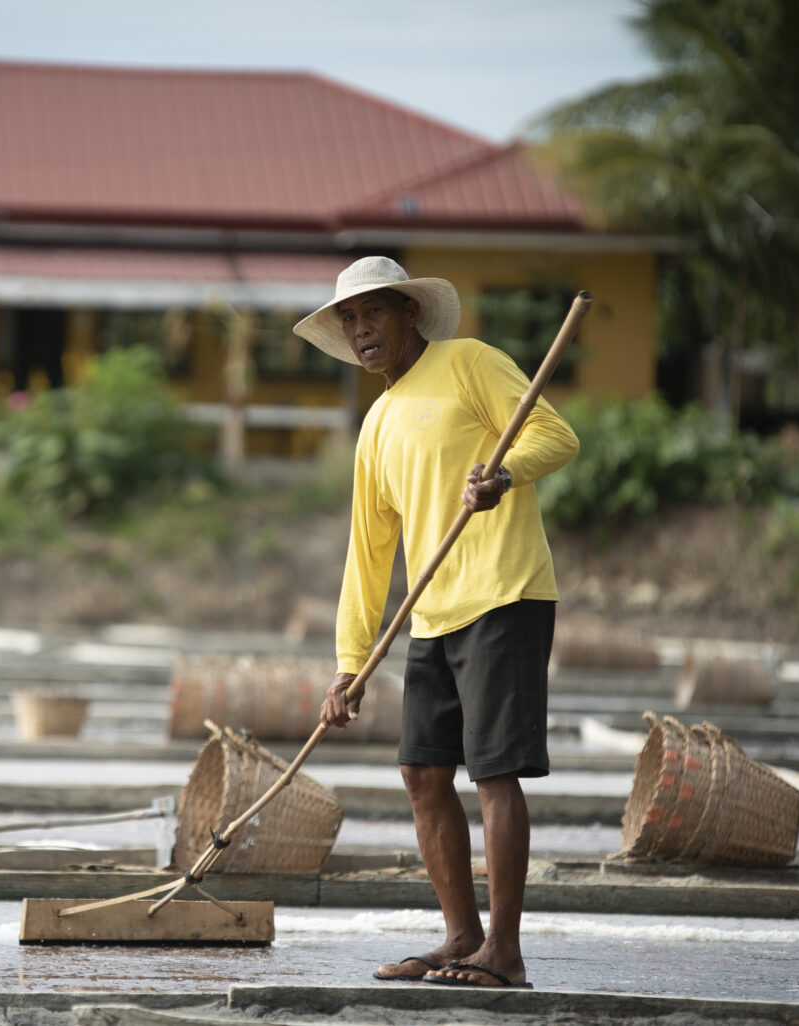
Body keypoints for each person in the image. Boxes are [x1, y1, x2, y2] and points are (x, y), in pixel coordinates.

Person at [293, 256, 578, 990]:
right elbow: (369, 554)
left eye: (373, 314)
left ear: (409, 314)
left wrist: (504, 475)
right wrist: (350, 663)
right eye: (349, 320)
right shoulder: (377, 425)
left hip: (505, 595)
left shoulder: (469, 364)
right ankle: (461, 934)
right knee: (422, 772)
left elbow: (555, 435)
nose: (361, 331)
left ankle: (505, 954)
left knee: (494, 770)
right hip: (433, 615)